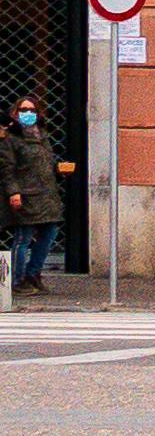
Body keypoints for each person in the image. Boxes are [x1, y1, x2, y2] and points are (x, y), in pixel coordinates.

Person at [3, 89, 61, 294]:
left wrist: (59, 168)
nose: (28, 113)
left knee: (49, 232)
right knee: (23, 237)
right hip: (25, 194)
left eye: (32, 110)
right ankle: (17, 281)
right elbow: (6, 169)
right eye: (24, 110)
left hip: (46, 195)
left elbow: (44, 161)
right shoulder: (10, 138)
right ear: (15, 112)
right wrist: (13, 192)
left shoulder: (42, 135)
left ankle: (33, 273)